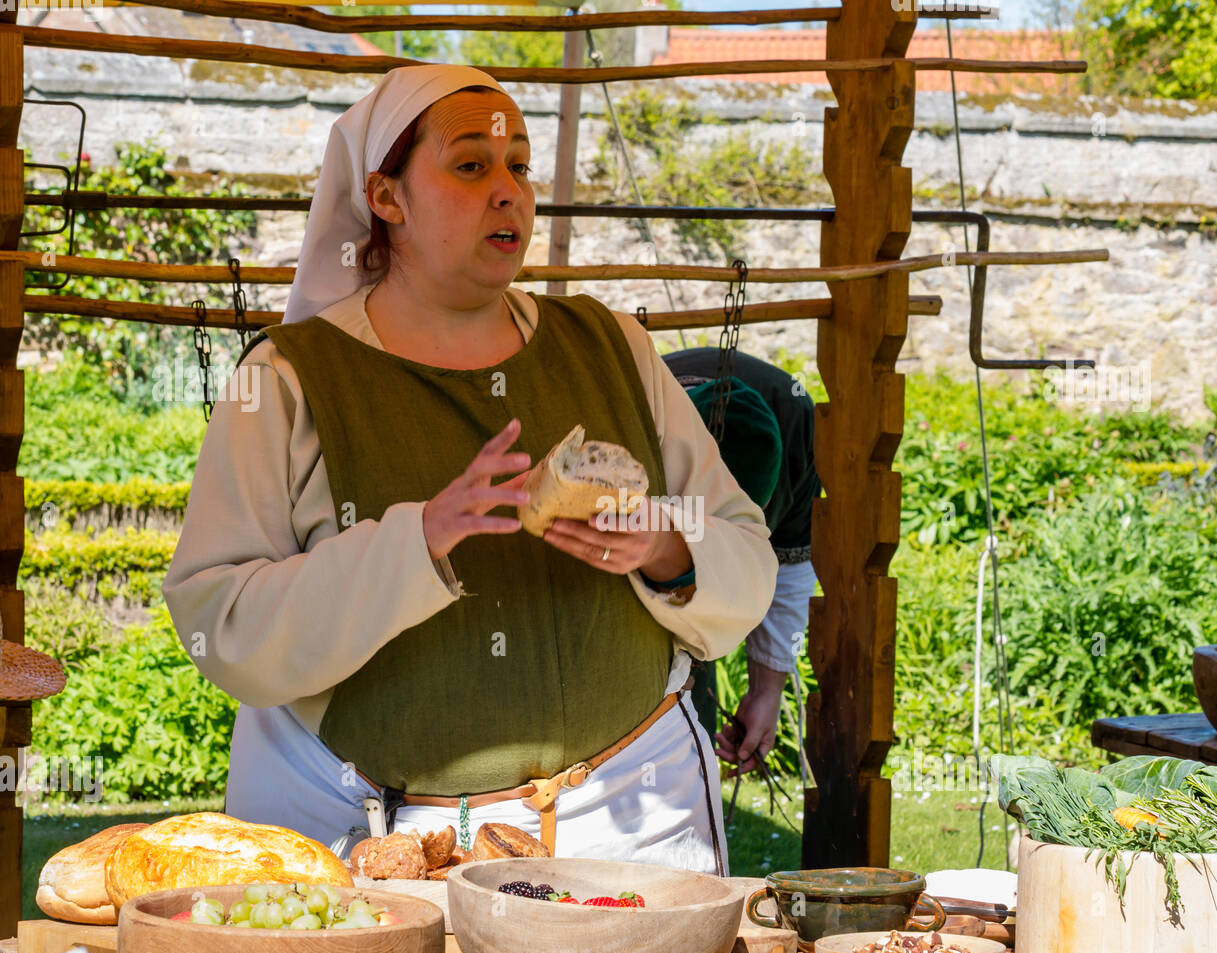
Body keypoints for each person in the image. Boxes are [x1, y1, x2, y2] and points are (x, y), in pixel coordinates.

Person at [161, 64, 777, 877]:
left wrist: (668, 548)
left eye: (520, 165)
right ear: (386, 197)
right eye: (471, 165)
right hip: (391, 846)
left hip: (632, 827)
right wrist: (416, 540)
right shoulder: (285, 379)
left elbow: (743, 544)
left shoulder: (613, 345)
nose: (509, 191)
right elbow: (219, 615)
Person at [662, 349, 820, 778]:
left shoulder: (796, 424)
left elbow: (791, 570)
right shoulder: (627, 417)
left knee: (694, 749)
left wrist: (767, 692)